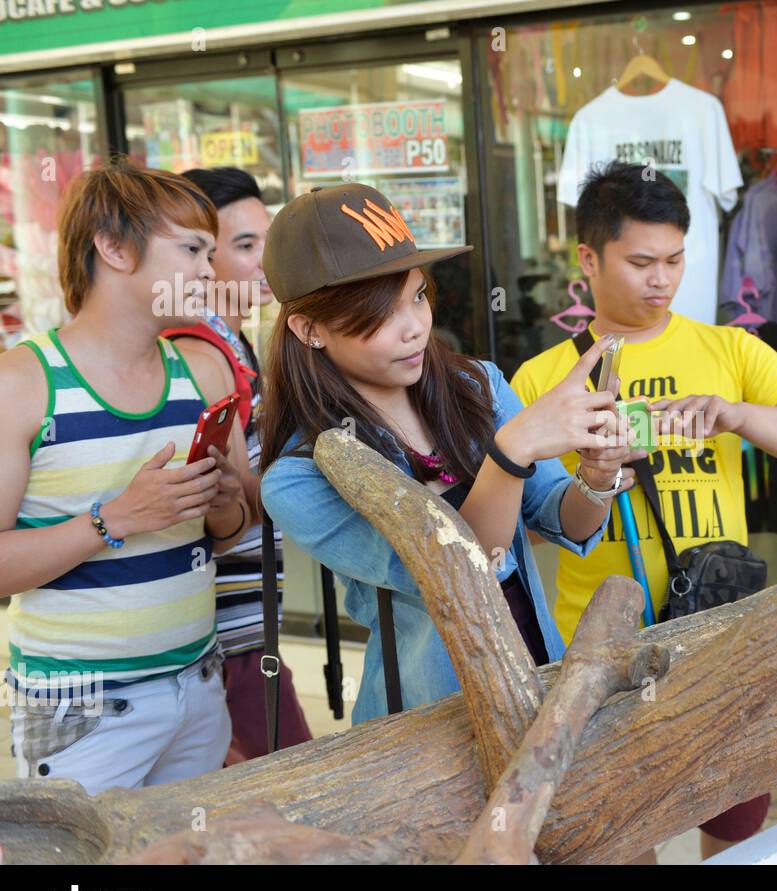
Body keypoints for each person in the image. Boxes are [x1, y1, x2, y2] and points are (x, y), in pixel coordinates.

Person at [511, 160, 777, 861]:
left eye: (674, 259)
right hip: (599, 651)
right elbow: (534, 522)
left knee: (731, 827)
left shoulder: (727, 348)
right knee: (614, 832)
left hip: (718, 634)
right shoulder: (544, 378)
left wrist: (736, 413)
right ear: (588, 258)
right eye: (640, 262)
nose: (661, 279)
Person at [257, 182, 632, 724]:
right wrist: (511, 452)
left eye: (417, 296)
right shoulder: (299, 477)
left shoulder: (478, 385)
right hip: (431, 718)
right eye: (381, 314)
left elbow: (565, 522)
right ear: (309, 329)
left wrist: (598, 471)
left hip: (542, 676)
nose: (414, 327)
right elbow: (456, 573)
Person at [0, 158, 249, 795]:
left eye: (212, 252)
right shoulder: (22, 384)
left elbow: (234, 527)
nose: (208, 270)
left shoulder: (207, 374)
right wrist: (114, 521)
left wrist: (222, 503)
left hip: (197, 683)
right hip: (79, 706)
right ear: (111, 246)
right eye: (192, 249)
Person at [161, 166, 313, 761]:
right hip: (225, 626)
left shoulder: (237, 344)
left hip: (247, 618)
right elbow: (214, 500)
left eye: (266, 242)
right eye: (244, 246)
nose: (263, 261)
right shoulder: (198, 349)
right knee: (290, 789)